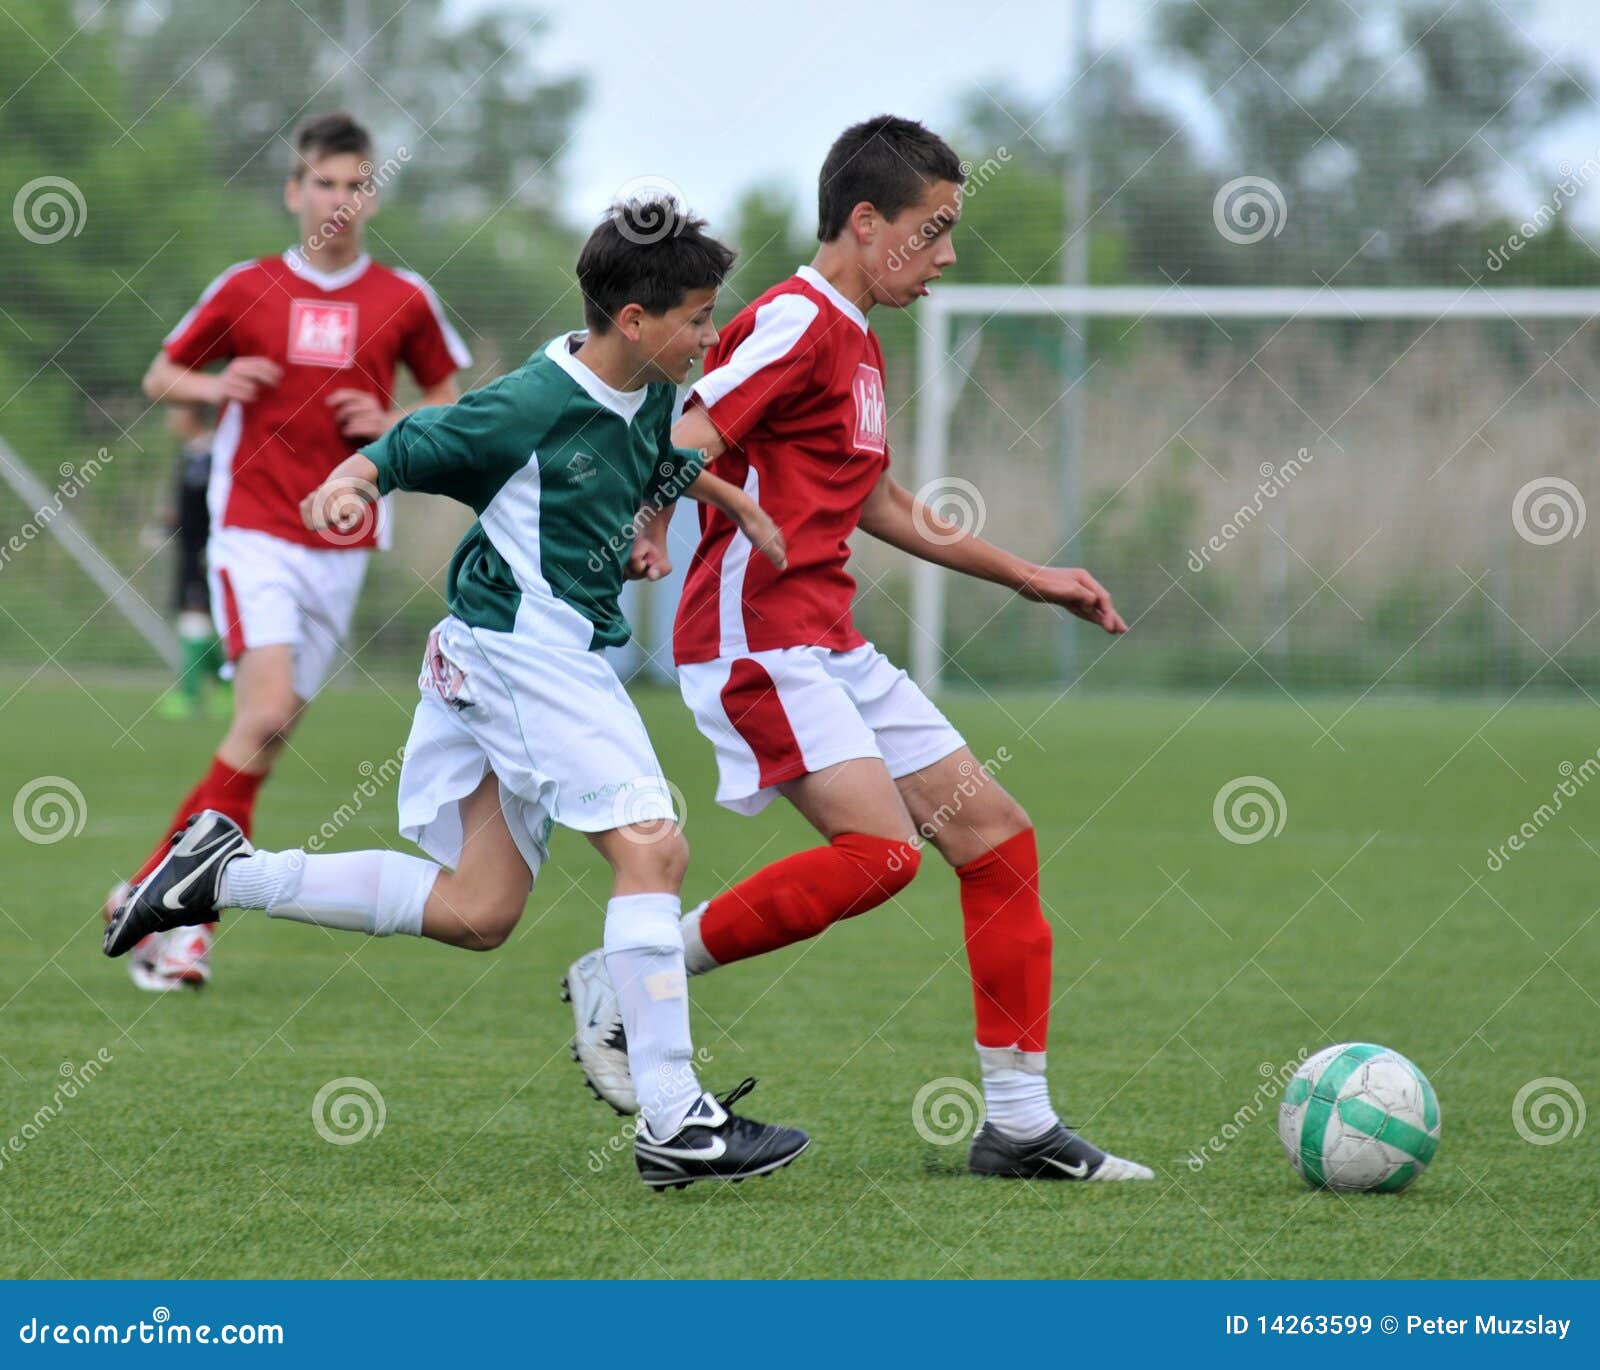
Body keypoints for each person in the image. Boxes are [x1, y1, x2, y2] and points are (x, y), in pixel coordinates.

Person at [105, 199, 810, 1191]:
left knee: (479, 909)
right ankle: (673, 1115)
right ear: (637, 321)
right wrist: (348, 483)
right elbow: (407, 445)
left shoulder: (646, 386)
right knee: (654, 843)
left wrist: (705, 502)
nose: (711, 333)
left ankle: (224, 873)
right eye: (698, 316)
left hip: (518, 653)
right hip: (519, 653)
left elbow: (651, 459)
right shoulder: (529, 401)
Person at [565, 116, 1152, 1183]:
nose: (946, 255)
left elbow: (869, 496)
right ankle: (633, 967)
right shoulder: (795, 319)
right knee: (881, 855)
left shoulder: (850, 335)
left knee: (996, 843)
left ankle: (1019, 1124)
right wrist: (653, 521)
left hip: (825, 639)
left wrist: (1028, 573)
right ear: (866, 219)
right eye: (931, 232)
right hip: (756, 640)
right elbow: (681, 435)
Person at [109, 111, 470, 991]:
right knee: (265, 715)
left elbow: (453, 406)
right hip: (252, 532)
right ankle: (191, 925)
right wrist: (215, 381)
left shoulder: (404, 296)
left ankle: (146, 894)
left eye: (354, 185)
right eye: (323, 183)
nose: (339, 201)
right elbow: (162, 376)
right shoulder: (248, 286)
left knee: (262, 739)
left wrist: (390, 422)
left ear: (370, 193)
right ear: (294, 190)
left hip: (340, 543)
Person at [154, 403, 226, 723]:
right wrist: (169, 524)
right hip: (190, 551)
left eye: (175, 411)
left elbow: (212, 510)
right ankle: (225, 685)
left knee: (195, 618)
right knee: (195, 618)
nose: (169, 419)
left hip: (205, 552)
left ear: (190, 417)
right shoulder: (191, 456)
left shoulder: (213, 458)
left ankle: (192, 694)